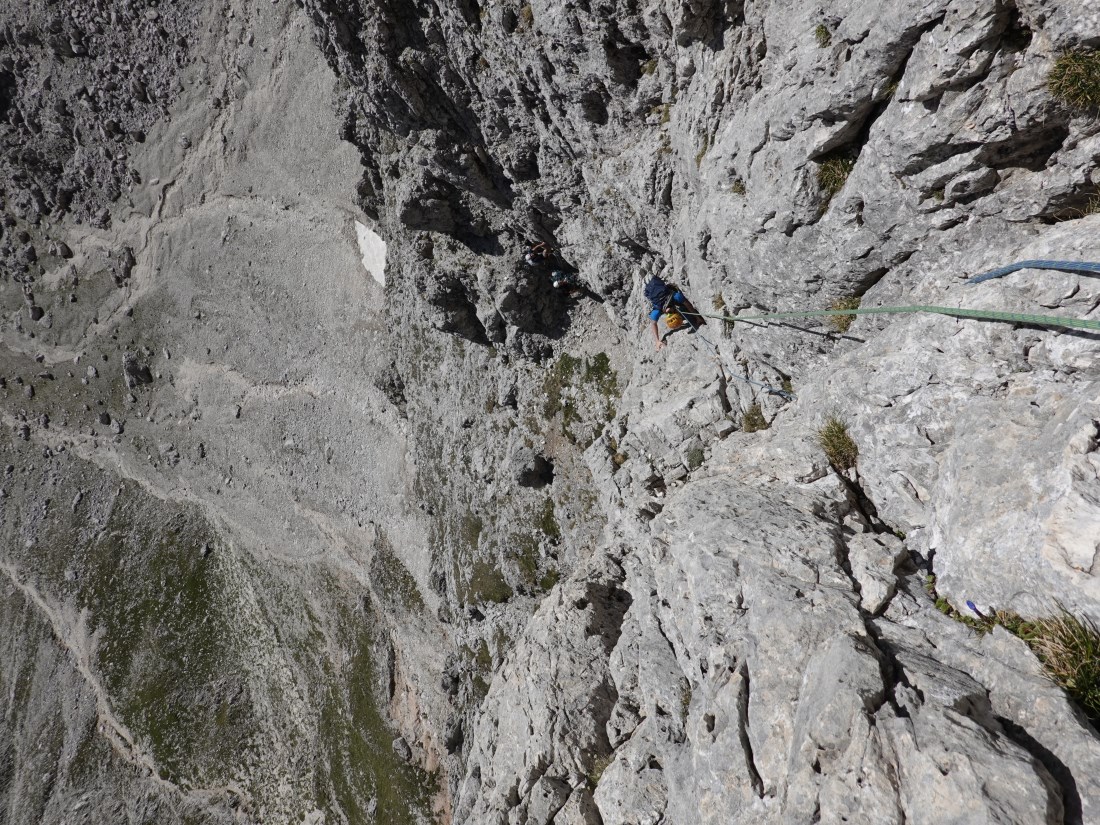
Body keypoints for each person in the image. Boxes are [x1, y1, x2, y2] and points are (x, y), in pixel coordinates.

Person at [645, 275, 703, 350]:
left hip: (665, 293)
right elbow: (688, 304)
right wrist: (697, 318)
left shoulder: (676, 297)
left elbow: (687, 304)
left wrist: (697, 317)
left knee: (681, 300)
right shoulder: (657, 310)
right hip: (657, 294)